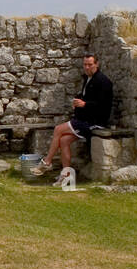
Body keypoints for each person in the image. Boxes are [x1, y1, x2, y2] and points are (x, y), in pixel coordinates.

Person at [32, 54, 113, 183]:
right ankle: (66, 176)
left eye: (90, 64)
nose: (87, 67)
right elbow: (85, 95)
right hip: (85, 119)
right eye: (85, 64)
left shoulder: (103, 82)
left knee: (58, 129)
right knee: (64, 141)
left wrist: (85, 104)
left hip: (95, 122)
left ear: (97, 64)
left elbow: (104, 105)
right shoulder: (88, 78)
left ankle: (47, 162)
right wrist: (78, 101)